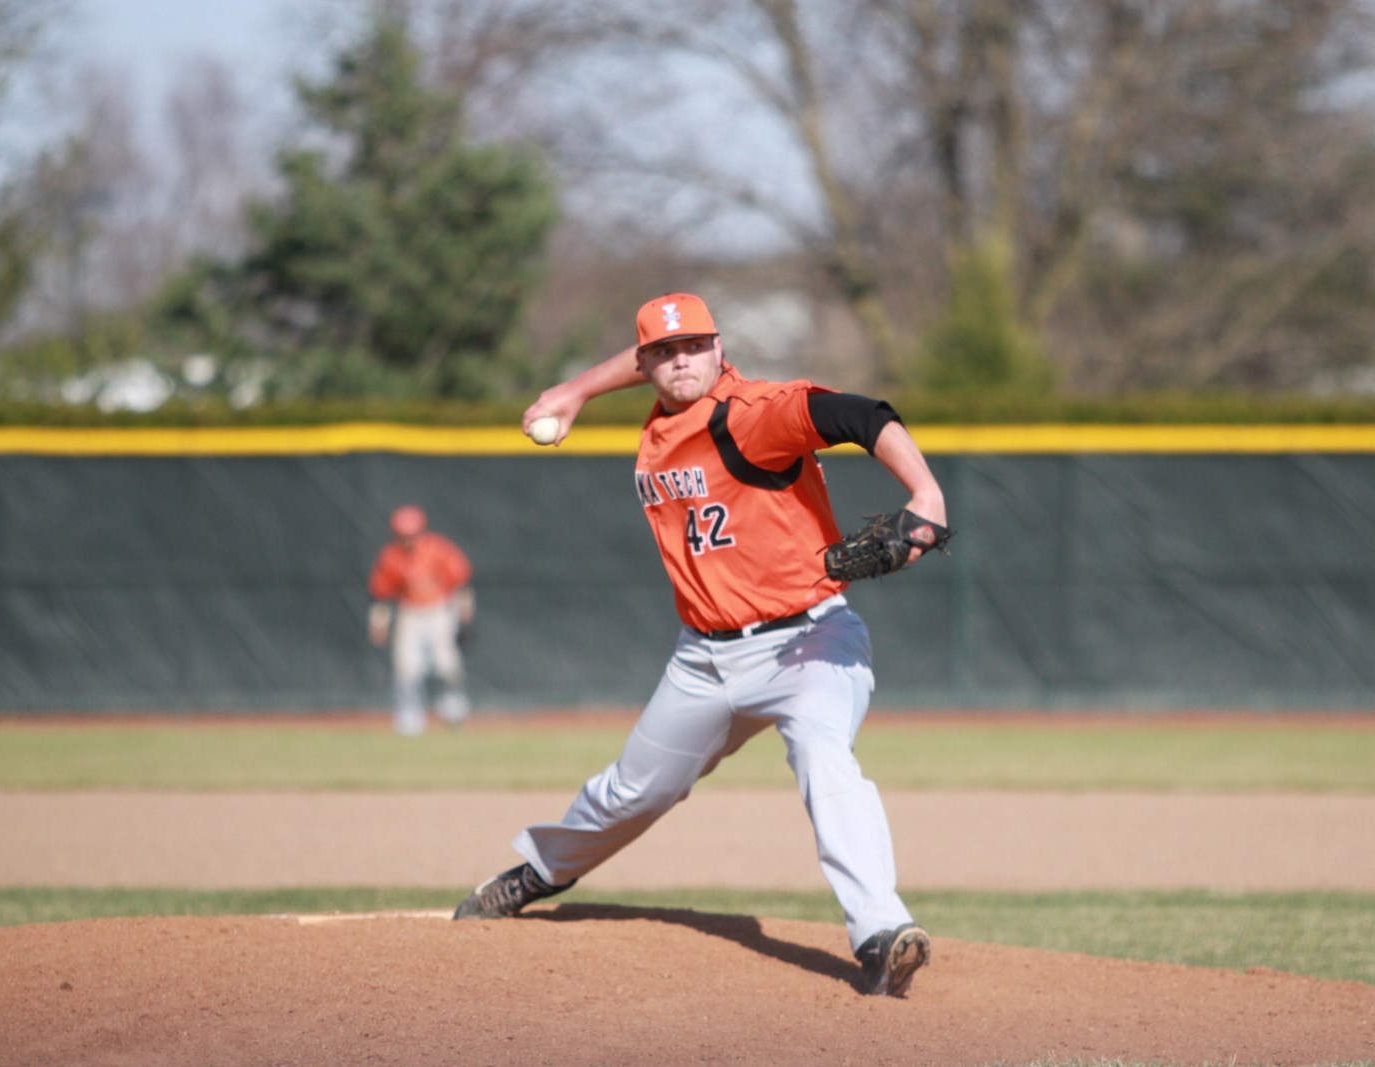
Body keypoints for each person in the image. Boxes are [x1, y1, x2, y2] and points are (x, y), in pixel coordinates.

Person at [452, 292, 950, 998]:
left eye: (695, 347)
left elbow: (860, 415)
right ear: (647, 363)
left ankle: (880, 932)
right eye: (664, 351)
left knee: (823, 753)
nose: (681, 360)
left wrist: (926, 492)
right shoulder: (663, 408)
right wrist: (575, 388)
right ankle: (540, 871)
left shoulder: (752, 414)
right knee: (630, 792)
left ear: (721, 349)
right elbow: (647, 357)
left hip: (808, 641)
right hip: (704, 657)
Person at [367, 504, 475, 736]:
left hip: (440, 610)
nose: (408, 540)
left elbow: (460, 583)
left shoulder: (438, 549)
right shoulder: (391, 556)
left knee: (447, 663)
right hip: (410, 613)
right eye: (403, 535)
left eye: (412, 535)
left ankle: (453, 704)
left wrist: (465, 615)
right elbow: (381, 595)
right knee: (407, 668)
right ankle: (409, 715)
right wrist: (379, 624)